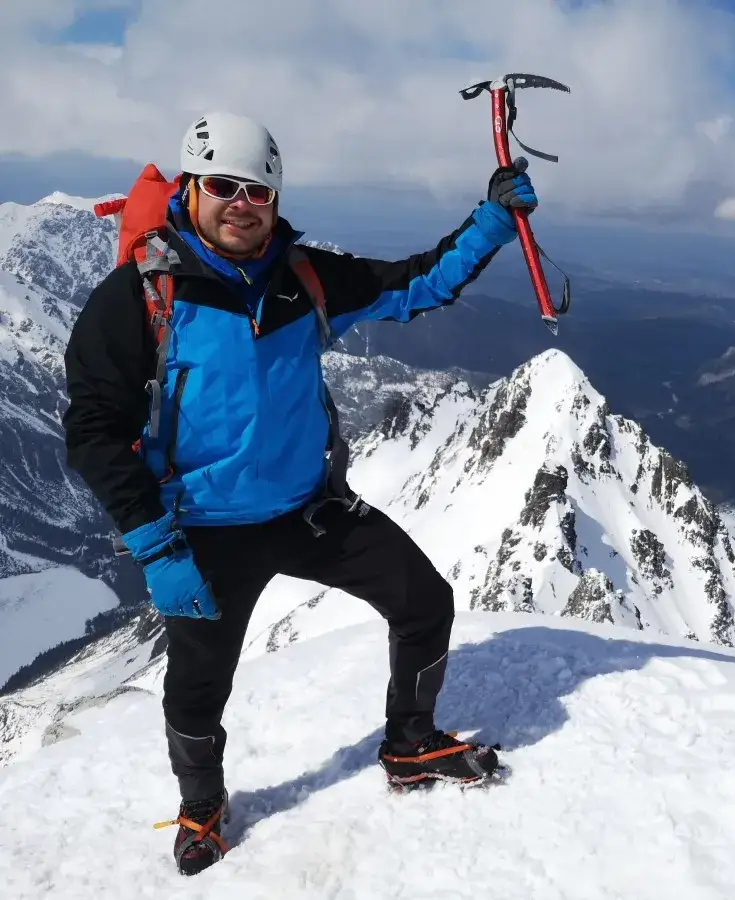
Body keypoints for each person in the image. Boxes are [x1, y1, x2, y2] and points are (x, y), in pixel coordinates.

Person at [61, 110, 538, 877]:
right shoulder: (138, 298)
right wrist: (155, 544)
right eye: (224, 186)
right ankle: (204, 807)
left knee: (424, 602)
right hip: (204, 532)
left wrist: (492, 220)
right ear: (190, 186)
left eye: (260, 191)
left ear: (277, 201)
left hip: (307, 508)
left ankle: (410, 744)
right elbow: (92, 429)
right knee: (195, 689)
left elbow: (416, 284)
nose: (242, 204)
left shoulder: (304, 278)